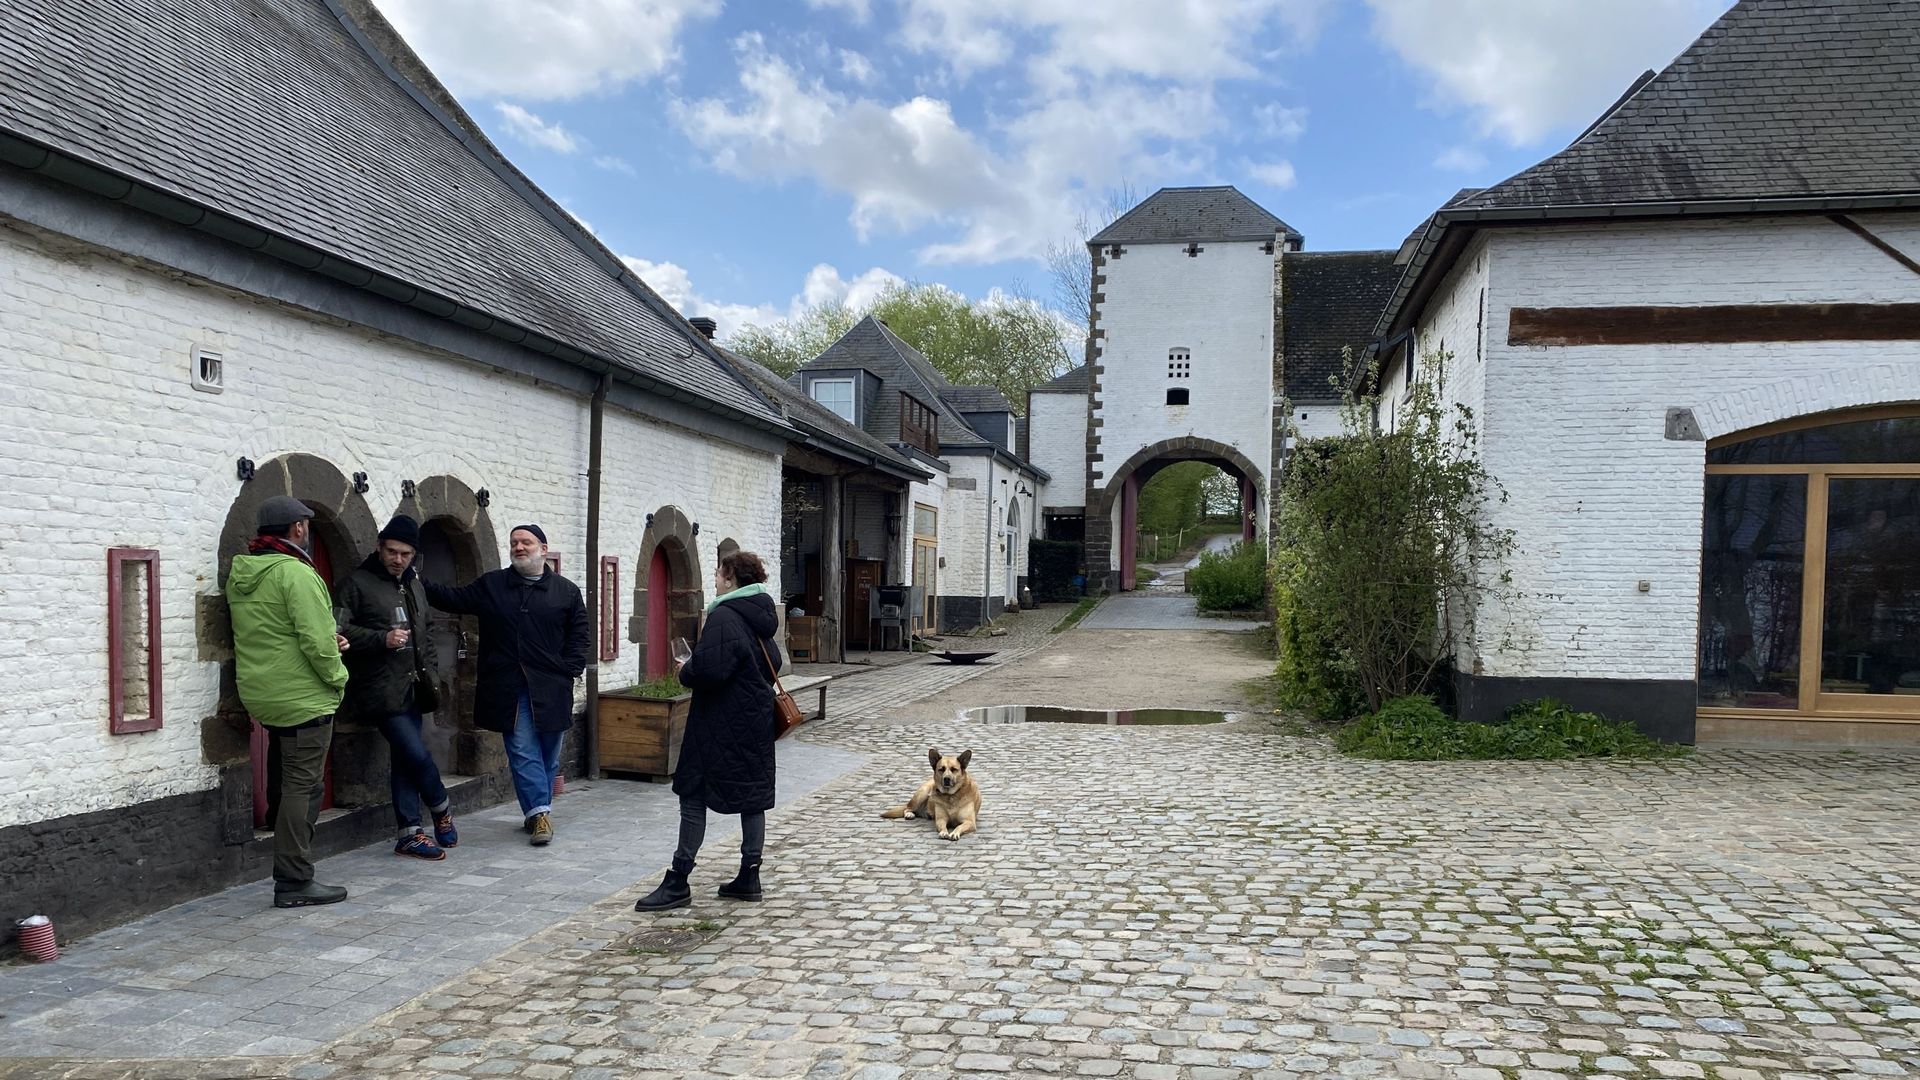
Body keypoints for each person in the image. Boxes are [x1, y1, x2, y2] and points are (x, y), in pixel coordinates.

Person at [424, 524, 588, 846]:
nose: (519, 547)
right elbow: (452, 598)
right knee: (522, 750)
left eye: (526, 542)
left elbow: (579, 633)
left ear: (543, 548)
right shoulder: (493, 585)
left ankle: (536, 811)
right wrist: (416, 581)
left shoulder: (566, 592)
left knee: (548, 753)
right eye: (514, 543)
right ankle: (540, 814)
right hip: (509, 688)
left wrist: (570, 668)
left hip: (551, 687)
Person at [635, 549, 780, 911]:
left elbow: (710, 671)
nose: (713, 579)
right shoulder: (760, 614)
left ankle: (679, 879)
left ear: (730, 577)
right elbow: (773, 662)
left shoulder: (725, 616)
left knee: (693, 793)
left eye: (717, 573)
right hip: (754, 721)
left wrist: (686, 669)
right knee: (752, 796)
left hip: (719, 723)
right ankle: (750, 874)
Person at [226, 495, 351, 908]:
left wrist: (325, 643)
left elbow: (274, 631)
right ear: (298, 528)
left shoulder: (244, 571)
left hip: (264, 694)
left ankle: (288, 859)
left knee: (283, 781)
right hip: (303, 696)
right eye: (307, 525)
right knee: (304, 787)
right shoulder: (296, 573)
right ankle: (294, 880)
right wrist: (338, 677)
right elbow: (315, 640)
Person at [337, 515, 457, 861]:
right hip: (378, 689)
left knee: (405, 758)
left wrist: (431, 672)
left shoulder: (414, 584)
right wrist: (381, 639)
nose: (398, 559)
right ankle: (441, 808)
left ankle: (409, 833)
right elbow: (335, 630)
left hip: (413, 688)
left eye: (405, 554)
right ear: (379, 547)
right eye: (392, 551)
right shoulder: (356, 584)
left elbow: (426, 634)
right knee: (417, 754)